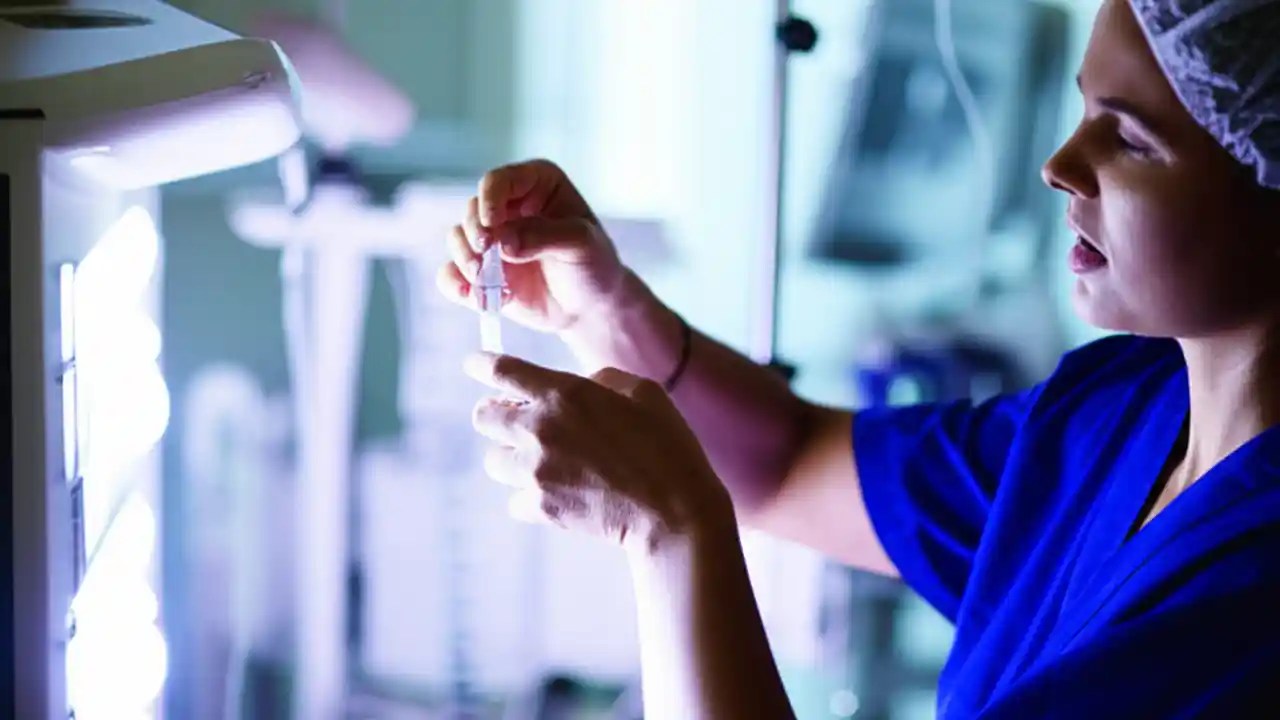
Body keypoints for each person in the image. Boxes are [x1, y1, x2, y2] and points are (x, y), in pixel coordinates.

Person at [438, 0, 1280, 717]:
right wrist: (608, 310)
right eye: (1084, 111)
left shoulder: (1248, 602)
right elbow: (791, 463)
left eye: (1129, 140)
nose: (1059, 167)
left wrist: (668, 531)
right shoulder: (1118, 408)